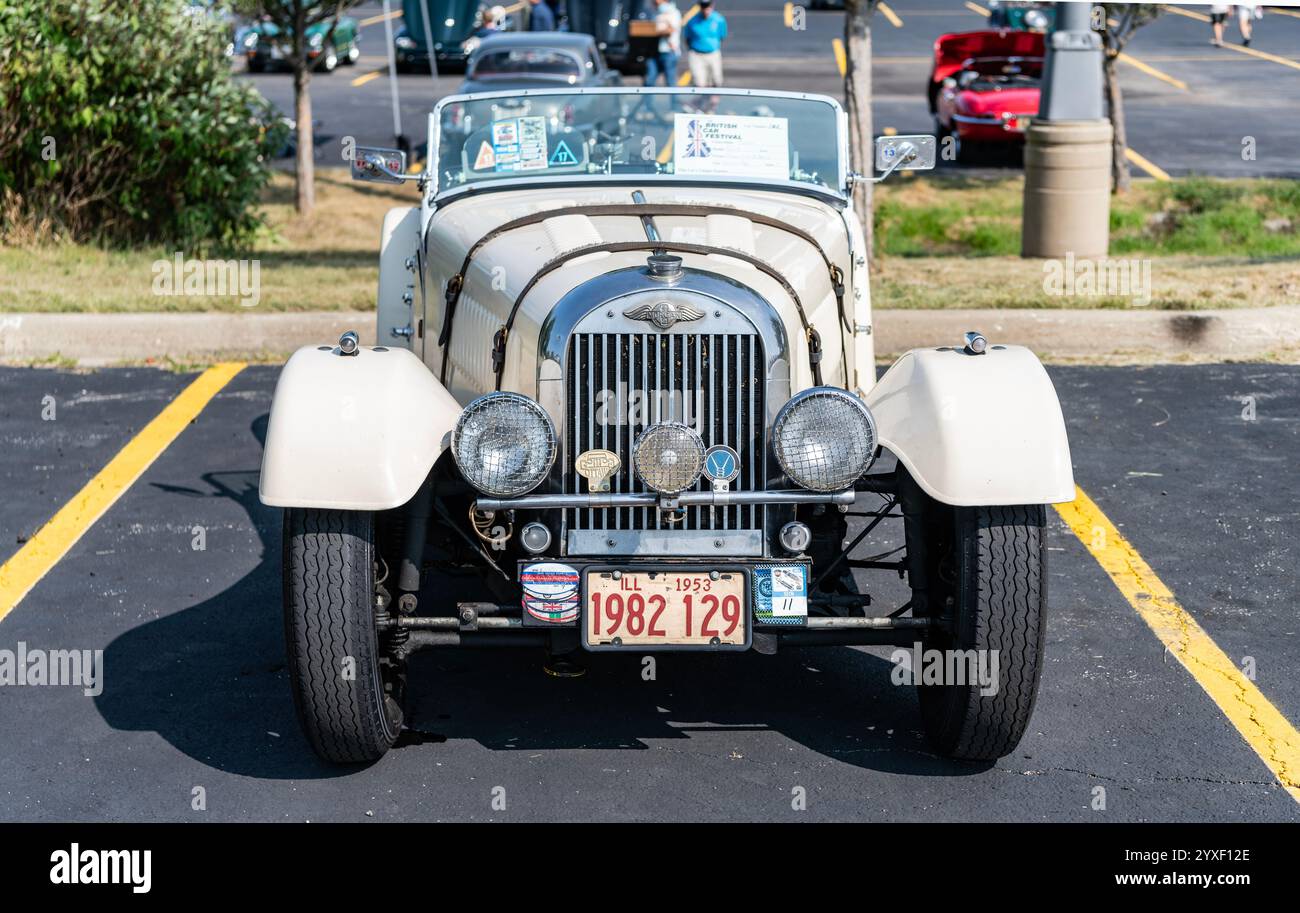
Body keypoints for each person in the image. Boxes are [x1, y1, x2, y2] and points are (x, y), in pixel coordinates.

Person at [684, 0, 727, 88]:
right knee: (699, 82)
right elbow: (687, 38)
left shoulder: (719, 20)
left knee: (716, 80)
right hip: (697, 54)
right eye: (703, 7)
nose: (706, 10)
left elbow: (722, 36)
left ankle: (714, 100)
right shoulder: (692, 21)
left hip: (713, 53)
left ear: (712, 6)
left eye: (708, 6)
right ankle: (702, 100)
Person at [643, 0, 683, 87]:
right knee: (649, 80)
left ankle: (673, 101)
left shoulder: (673, 12)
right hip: (654, 51)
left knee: (670, 81)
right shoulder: (656, 12)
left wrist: (656, 32)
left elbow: (671, 30)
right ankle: (647, 101)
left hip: (668, 51)